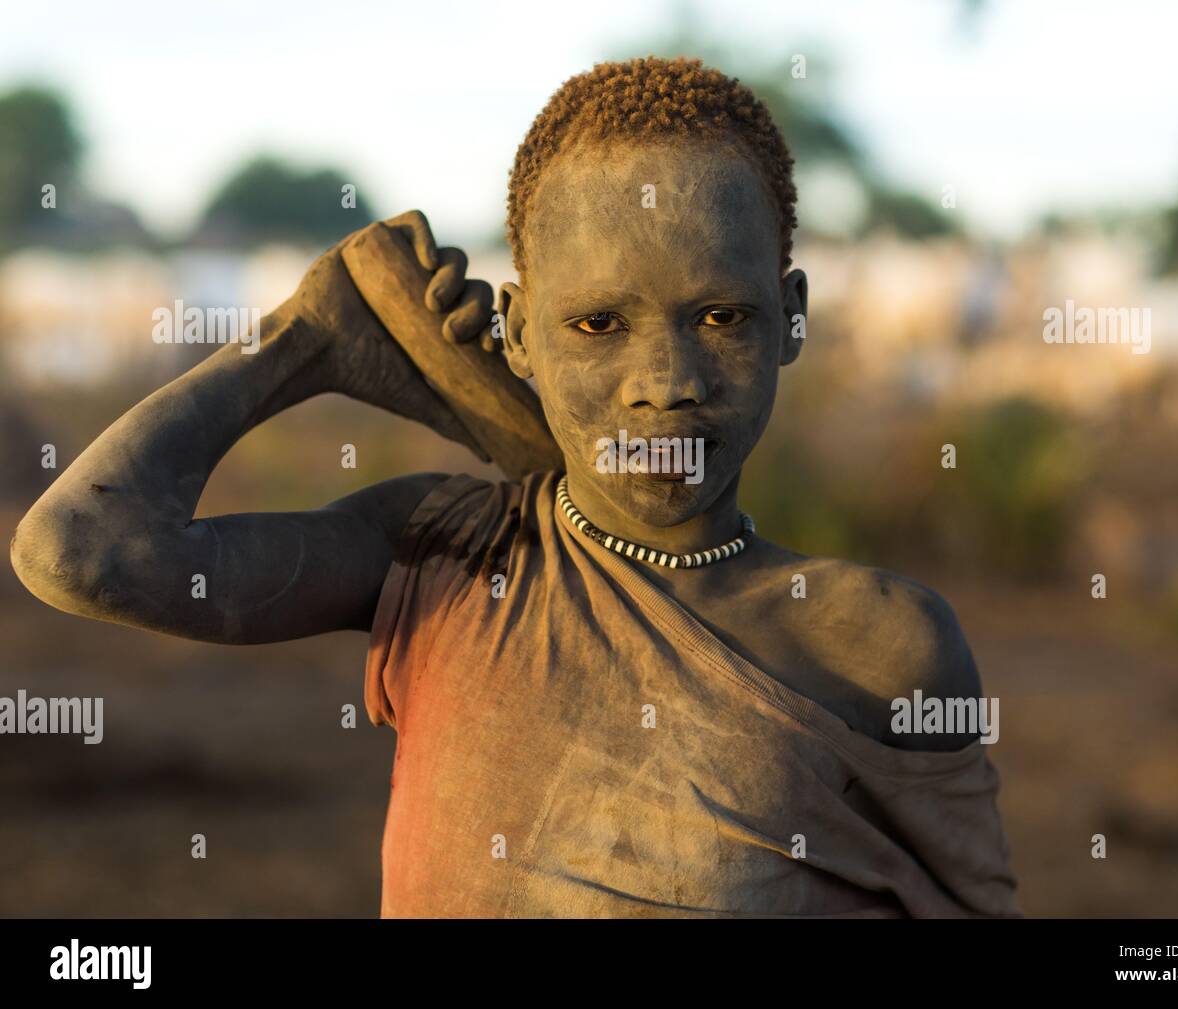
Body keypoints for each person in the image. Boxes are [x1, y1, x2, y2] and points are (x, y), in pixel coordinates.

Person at [12, 56, 1019, 917]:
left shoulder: (880, 642)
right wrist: (307, 338)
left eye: (720, 317)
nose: (666, 383)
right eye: (594, 326)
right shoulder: (445, 554)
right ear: (520, 331)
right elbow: (78, 551)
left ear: (789, 318)